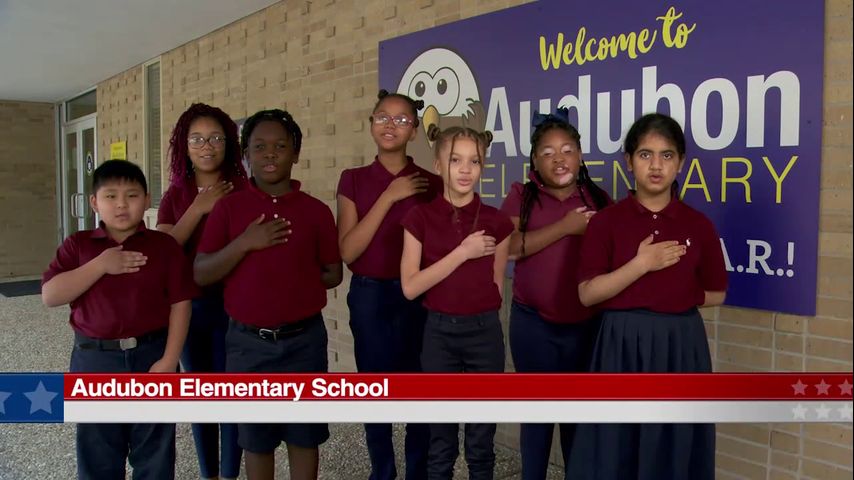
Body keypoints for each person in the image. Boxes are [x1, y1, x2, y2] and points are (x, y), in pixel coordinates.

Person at [567, 113, 728, 480]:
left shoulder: (698, 224)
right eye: (645, 154)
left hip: (680, 346)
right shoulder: (607, 222)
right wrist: (642, 265)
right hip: (619, 345)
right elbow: (588, 294)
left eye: (667, 155)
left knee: (674, 444)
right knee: (615, 443)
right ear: (629, 160)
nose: (656, 165)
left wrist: (675, 294)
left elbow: (717, 292)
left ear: (681, 162)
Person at [194, 109, 343, 480]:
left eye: (280, 146)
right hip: (247, 345)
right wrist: (245, 244)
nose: (270, 154)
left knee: (304, 438)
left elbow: (333, 272)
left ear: (296, 153)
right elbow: (200, 272)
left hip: (304, 342)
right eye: (259, 147)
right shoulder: (229, 208)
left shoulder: (316, 212)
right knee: (256, 441)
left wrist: (293, 278)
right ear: (245, 156)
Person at [42, 159, 195, 480]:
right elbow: (51, 295)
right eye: (110, 196)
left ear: (147, 199)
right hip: (95, 359)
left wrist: (170, 360)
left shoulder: (164, 247)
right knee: (98, 451)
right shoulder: (79, 245)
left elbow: (181, 304)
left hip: (152, 357)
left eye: (131, 195)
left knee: (154, 452)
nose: (121, 204)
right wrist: (100, 265)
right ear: (94, 202)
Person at [498, 108, 610, 480]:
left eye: (566, 150)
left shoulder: (598, 197)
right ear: (534, 160)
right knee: (537, 416)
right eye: (547, 152)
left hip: (586, 326)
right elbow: (510, 247)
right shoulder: (522, 195)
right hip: (533, 325)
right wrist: (566, 226)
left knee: (578, 418)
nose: (558, 159)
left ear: (579, 157)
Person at [337, 89, 440, 480]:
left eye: (401, 119)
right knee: (375, 391)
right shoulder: (354, 179)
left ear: (414, 130)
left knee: (419, 391)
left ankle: (418, 471)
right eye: (383, 117)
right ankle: (383, 471)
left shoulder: (431, 182)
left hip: (419, 297)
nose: (391, 125)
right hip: (370, 296)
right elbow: (348, 250)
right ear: (371, 125)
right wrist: (389, 195)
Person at [400, 125, 513, 480]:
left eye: (474, 161)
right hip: (439, 334)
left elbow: (496, 286)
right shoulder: (419, 218)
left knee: (481, 440)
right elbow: (411, 287)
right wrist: (462, 252)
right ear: (438, 165)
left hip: (483, 332)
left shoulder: (496, 220)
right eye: (455, 160)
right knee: (442, 439)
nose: (465, 170)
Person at [157, 102, 246, 480]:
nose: (206, 146)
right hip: (189, 311)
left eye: (215, 138)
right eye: (197, 139)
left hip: (235, 308)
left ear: (228, 144)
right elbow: (161, 252)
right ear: (184, 145)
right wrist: (197, 207)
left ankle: (228, 475)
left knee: (231, 399)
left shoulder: (243, 189)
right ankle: (210, 474)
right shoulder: (175, 194)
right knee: (201, 396)